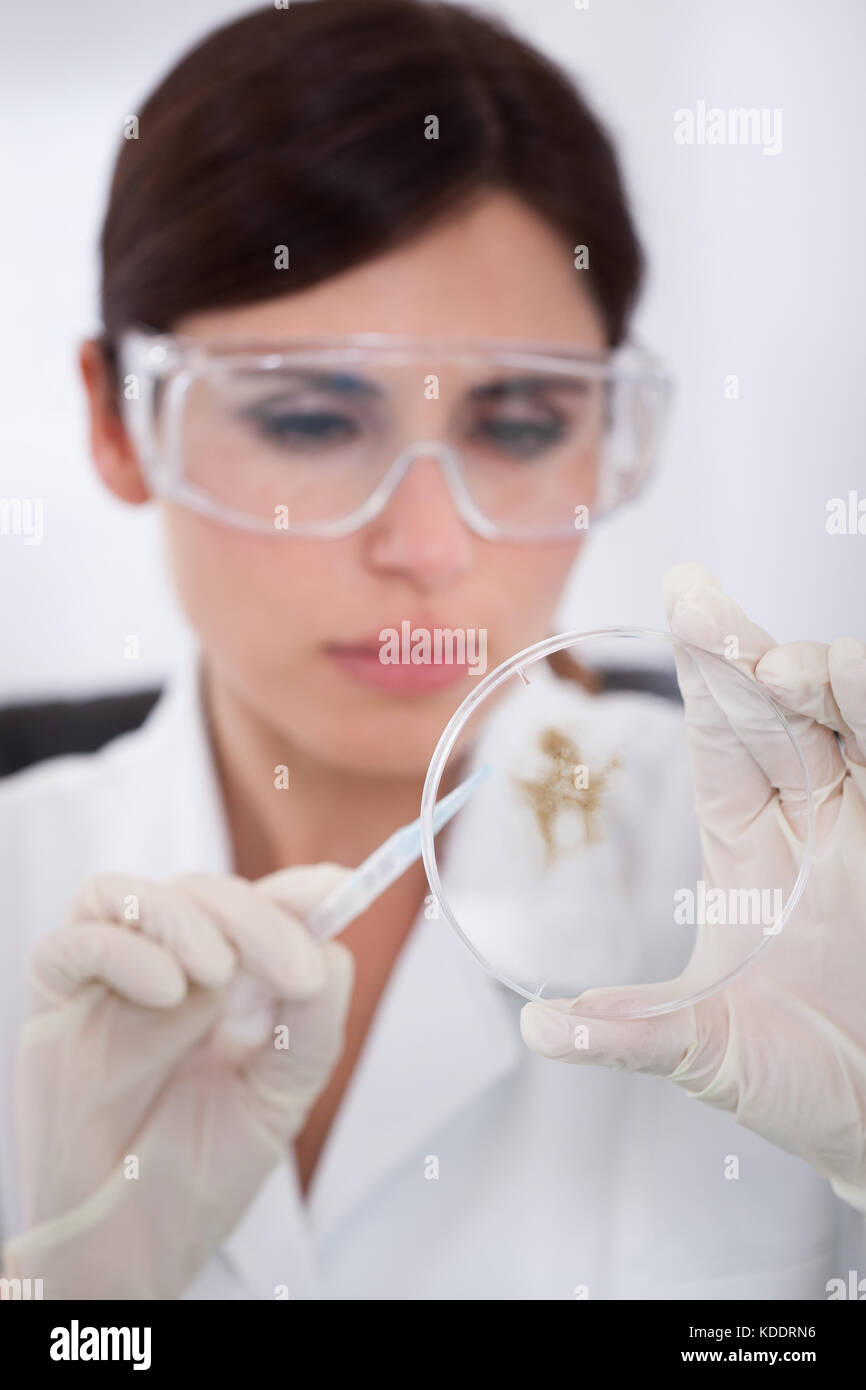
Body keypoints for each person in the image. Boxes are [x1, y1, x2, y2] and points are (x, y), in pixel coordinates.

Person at [1, 0, 864, 1302]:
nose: (424, 544)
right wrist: (74, 1312)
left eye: (517, 425)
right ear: (120, 425)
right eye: (306, 419)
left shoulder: (791, 913)